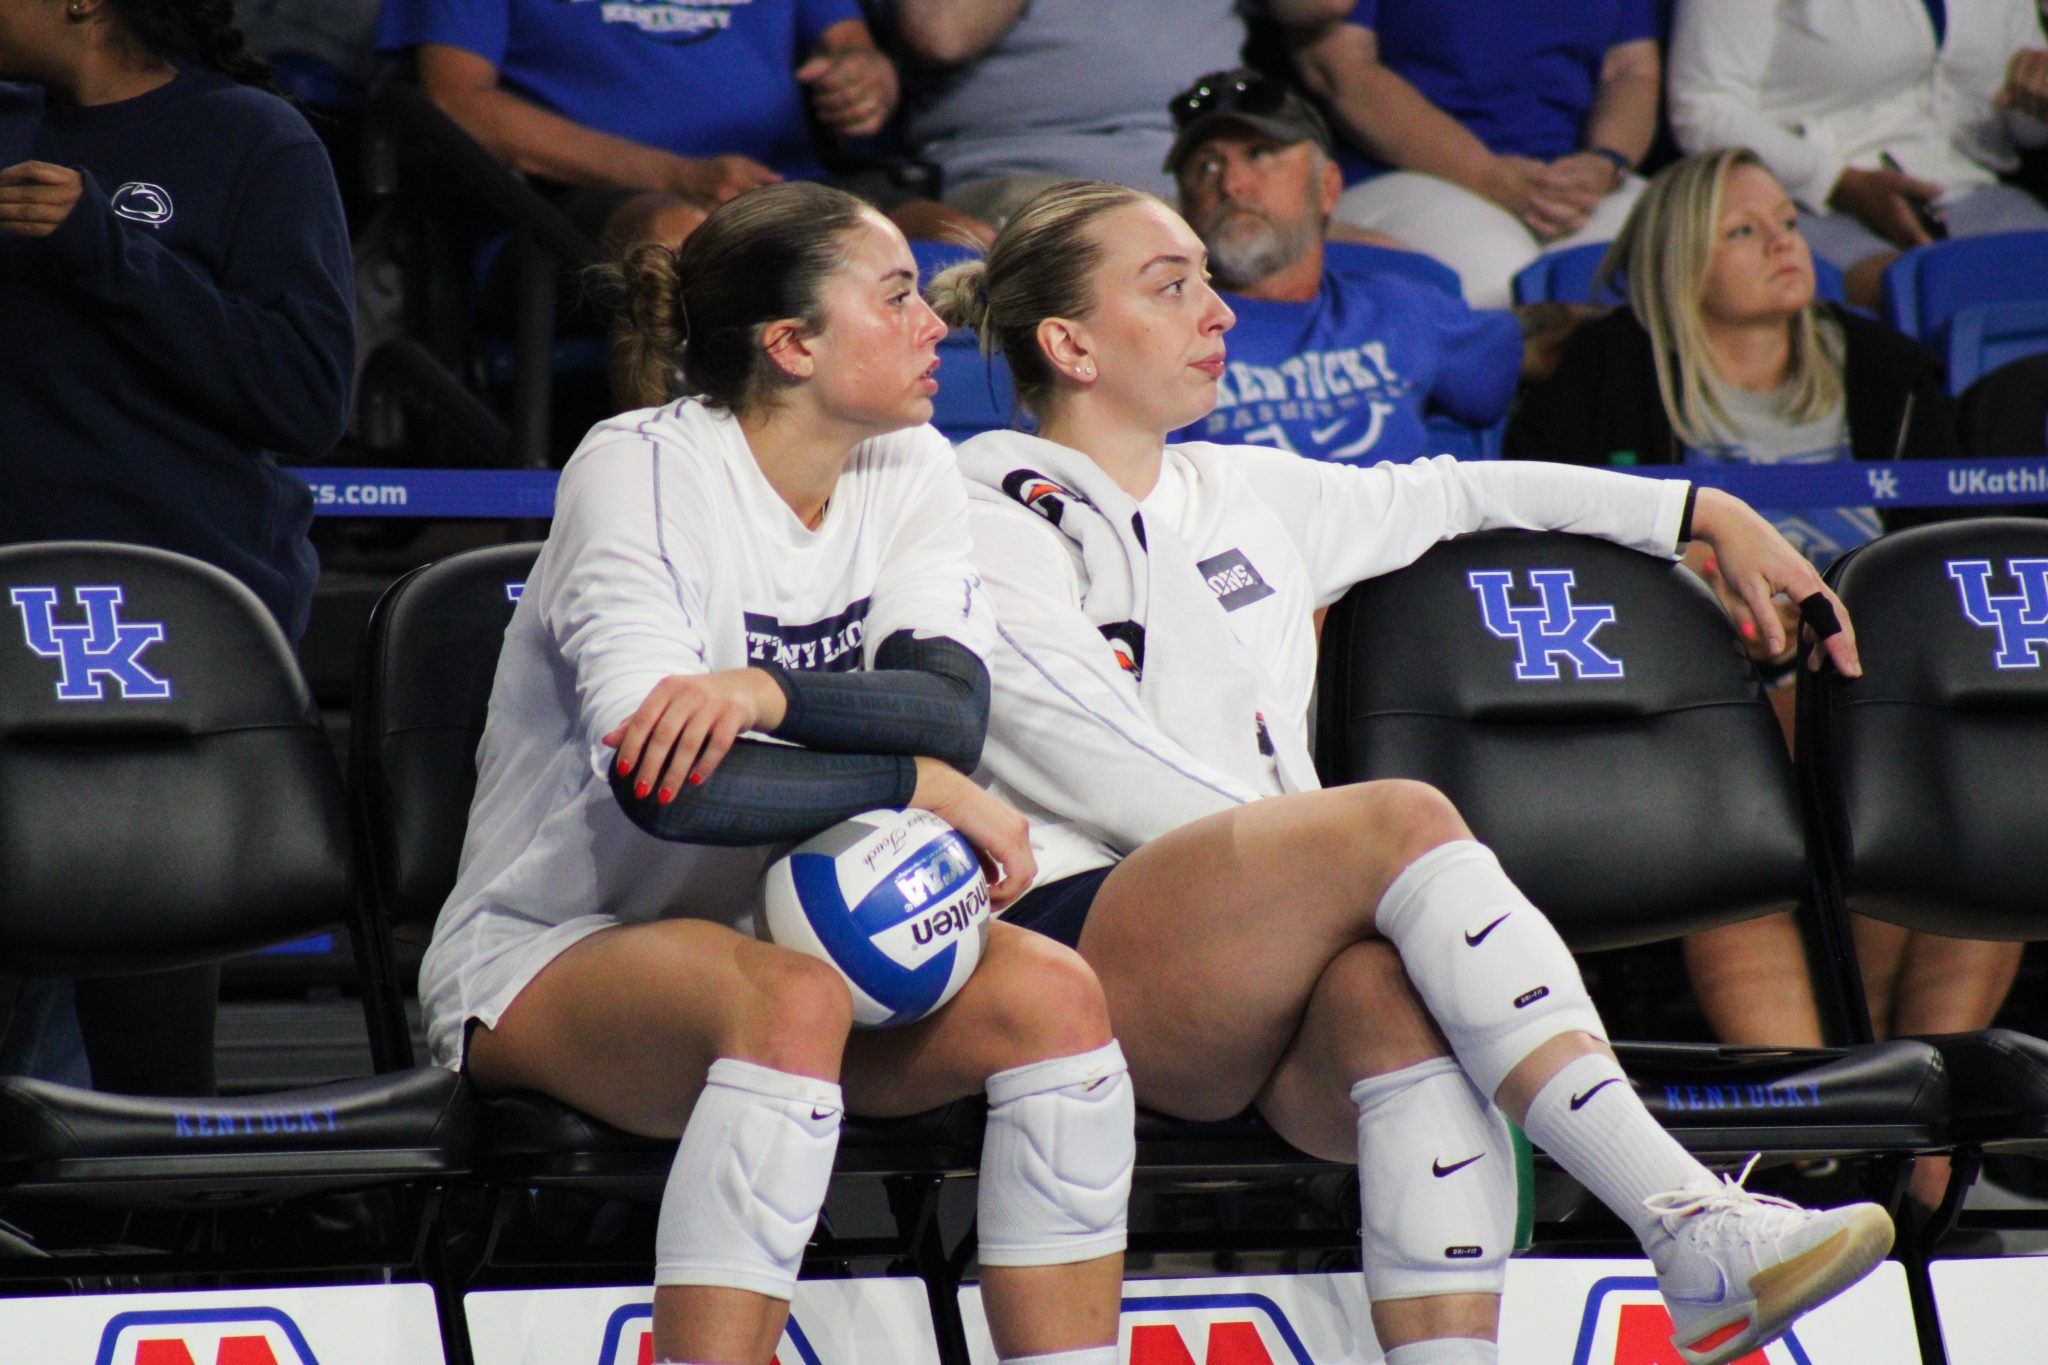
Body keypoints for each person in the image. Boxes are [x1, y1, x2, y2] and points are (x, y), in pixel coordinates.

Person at [926, 180, 1890, 1365]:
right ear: (1068, 344)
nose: (1217, 313)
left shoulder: (1244, 489)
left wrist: (1697, 508)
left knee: (1398, 1000)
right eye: (1169, 287)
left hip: (1269, 959)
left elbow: (1463, 493)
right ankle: (1685, 1217)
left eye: (1207, 282)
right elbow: (1090, 759)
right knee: (1394, 830)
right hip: (1081, 945)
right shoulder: (977, 506)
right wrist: (1327, 865)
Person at [423, 182, 1131, 1365]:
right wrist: (906, 788)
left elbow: (949, 715)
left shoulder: (904, 463)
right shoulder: (639, 470)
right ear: (791, 343)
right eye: (897, 294)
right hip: (553, 943)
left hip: (780, 922)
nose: (936, 326)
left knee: (1054, 997)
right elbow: (674, 788)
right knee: (789, 1003)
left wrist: (768, 695)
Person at [1507, 149, 2015, 1220]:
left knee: (1984, 813)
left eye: (1785, 221)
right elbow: (1544, 542)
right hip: (1689, 691)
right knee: (1761, 817)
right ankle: (1840, 1150)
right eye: (1744, 231)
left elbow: (1940, 562)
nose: (1785, 243)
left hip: (1865, 677)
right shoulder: (1610, 369)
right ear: (1679, 258)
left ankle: (1908, 1151)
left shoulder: (1879, 365)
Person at [0, 0, 355, 1098]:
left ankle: (147, 1243)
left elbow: (305, 396)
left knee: (138, 992)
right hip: (12, 598)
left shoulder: (251, 137)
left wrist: (111, 252)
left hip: (168, 616)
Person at [374, 0, 981, 254]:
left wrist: (864, 79)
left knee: (967, 242)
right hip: (569, 213)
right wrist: (675, 173)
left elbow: (854, 49)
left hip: (788, 189)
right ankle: (676, 501)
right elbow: (455, 104)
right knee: (676, 235)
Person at [1164, 67, 1553, 462]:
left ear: (1327, 186)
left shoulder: (1399, 308)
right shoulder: (1162, 339)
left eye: (1259, 155)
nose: (1231, 185)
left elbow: (1546, 345)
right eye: (1205, 167)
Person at [1669, 0, 2048, 308]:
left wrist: (2038, 98)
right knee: (1920, 302)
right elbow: (1701, 109)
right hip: (1805, 200)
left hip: (1971, 188)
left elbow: (2020, 129)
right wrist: (1838, 182)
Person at [1289, 0, 1661, 308]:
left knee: (1673, 255)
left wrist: (1606, 161)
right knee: (1502, 285)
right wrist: (1489, 176)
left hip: (1569, 176)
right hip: (1406, 171)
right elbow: (1338, 68)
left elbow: (1632, 69)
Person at [885, 0, 1348, 227]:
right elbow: (941, 29)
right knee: (1132, 258)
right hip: (1032, 174)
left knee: (1388, 269)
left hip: (1210, 165)